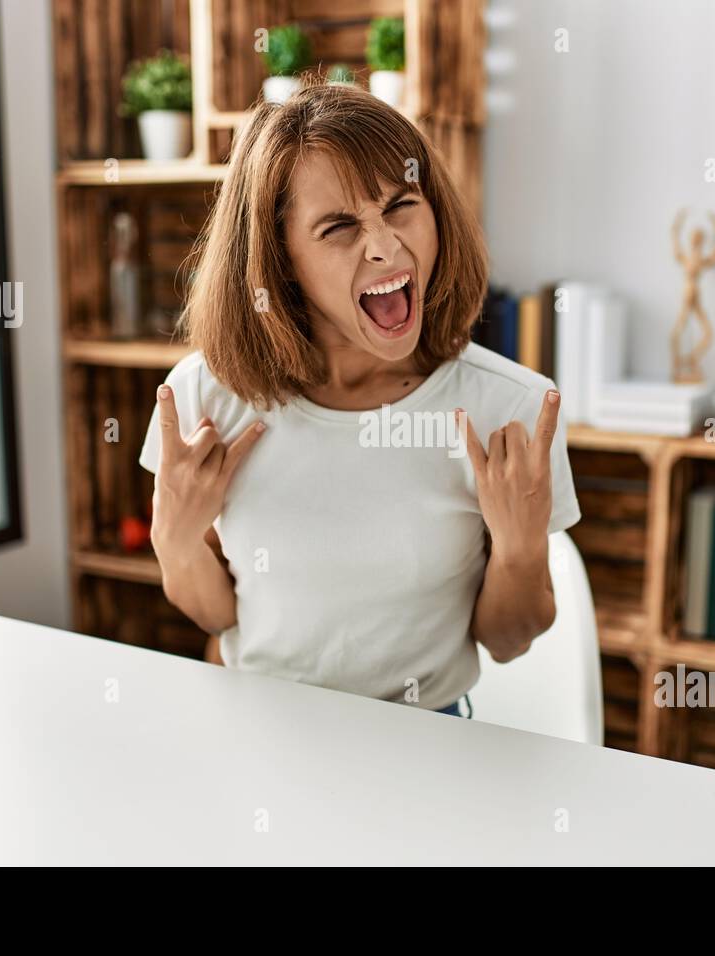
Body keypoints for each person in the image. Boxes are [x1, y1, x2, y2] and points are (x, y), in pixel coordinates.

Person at [138, 77, 581, 719]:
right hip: (261, 726)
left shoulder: (512, 409)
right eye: (340, 226)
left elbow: (508, 641)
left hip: (424, 737)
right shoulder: (202, 397)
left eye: (401, 205)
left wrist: (518, 548)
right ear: (279, 259)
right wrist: (175, 541)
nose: (384, 245)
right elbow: (215, 615)